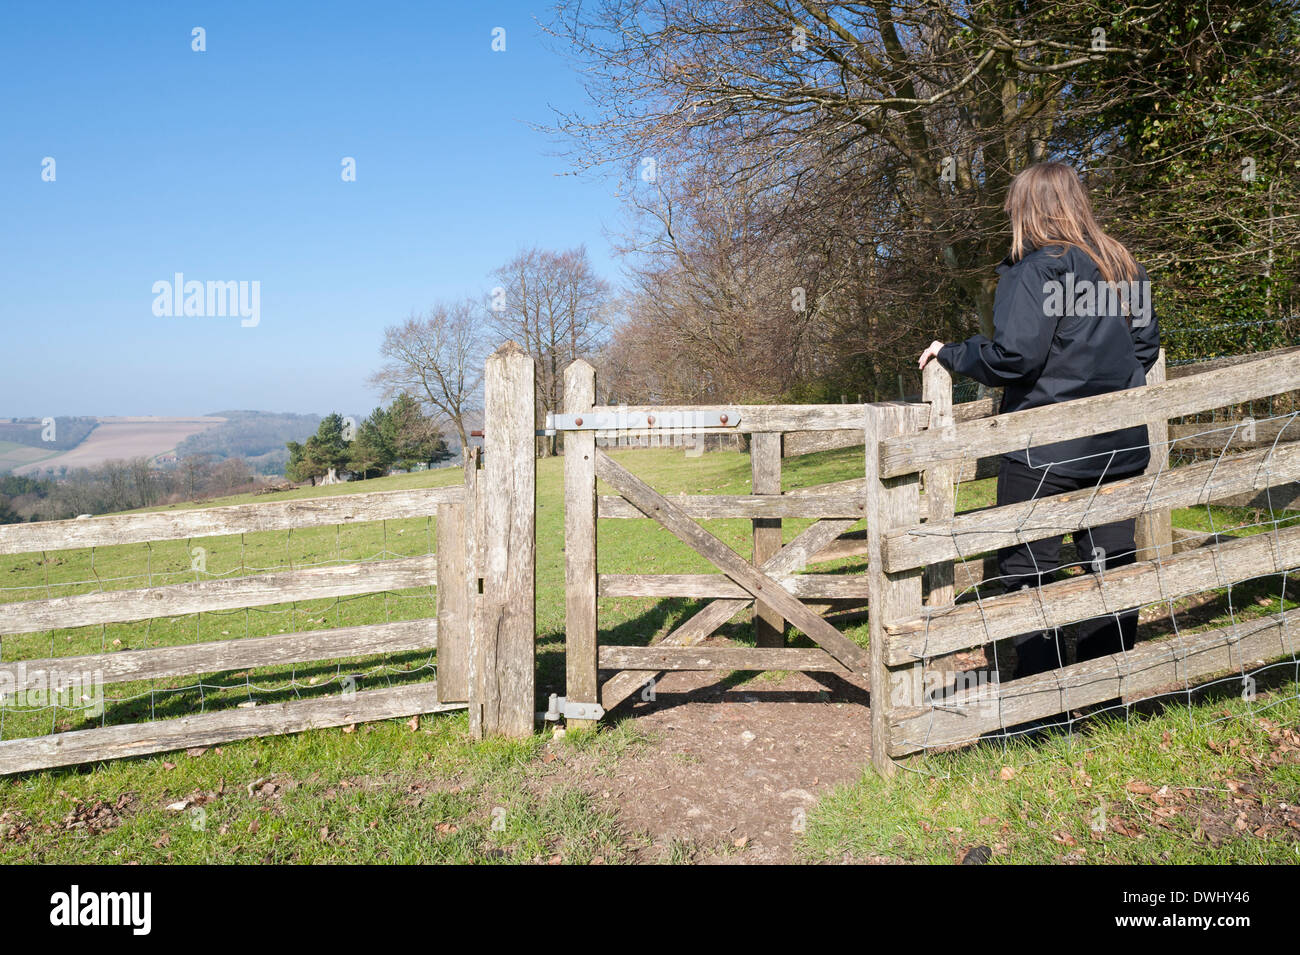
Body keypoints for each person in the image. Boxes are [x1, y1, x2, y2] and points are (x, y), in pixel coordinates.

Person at [918, 162, 1162, 681]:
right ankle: (1102, 692)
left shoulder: (1036, 267)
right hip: (1118, 442)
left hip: (1042, 448)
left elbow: (1015, 357)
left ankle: (1043, 706)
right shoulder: (1121, 264)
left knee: (1029, 569)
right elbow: (1144, 347)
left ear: (1026, 208)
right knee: (1111, 564)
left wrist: (953, 354)